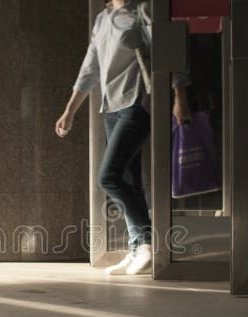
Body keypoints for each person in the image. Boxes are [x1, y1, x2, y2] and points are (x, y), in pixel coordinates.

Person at [55, 0, 190, 275]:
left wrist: (180, 96)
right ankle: (137, 247)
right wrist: (70, 111)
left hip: (138, 103)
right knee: (130, 179)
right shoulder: (103, 19)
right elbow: (90, 67)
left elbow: (166, 53)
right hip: (112, 107)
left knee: (109, 177)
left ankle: (147, 244)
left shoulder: (143, 11)